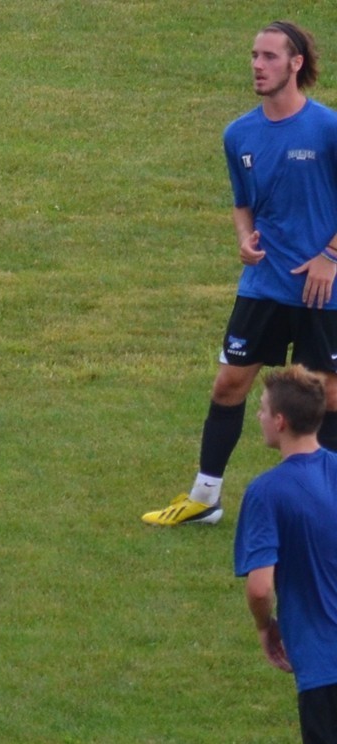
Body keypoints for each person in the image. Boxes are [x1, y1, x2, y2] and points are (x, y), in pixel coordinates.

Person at [145, 21, 337, 526]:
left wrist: (330, 256)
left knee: (330, 394)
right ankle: (205, 498)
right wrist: (243, 239)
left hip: (323, 288)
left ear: (296, 64)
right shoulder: (239, 133)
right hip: (265, 284)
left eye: (270, 57)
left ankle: (325, 503)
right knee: (229, 383)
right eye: (254, 55)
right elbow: (241, 203)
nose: (257, 65)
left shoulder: (327, 129)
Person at [234, 365, 337, 744]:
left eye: (260, 409)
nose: (256, 416)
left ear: (279, 422)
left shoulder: (267, 491)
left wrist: (264, 627)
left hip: (322, 665)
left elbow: (258, 586)